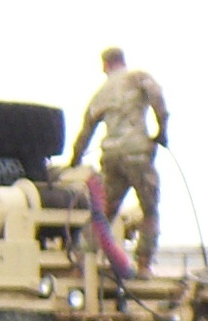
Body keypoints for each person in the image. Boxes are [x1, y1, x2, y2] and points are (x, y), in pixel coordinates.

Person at [67, 46, 168, 275]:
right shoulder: (139, 78)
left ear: (105, 65)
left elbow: (86, 130)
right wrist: (162, 132)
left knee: (104, 213)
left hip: (111, 157)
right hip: (137, 155)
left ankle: (81, 263)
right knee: (150, 210)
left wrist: (74, 160)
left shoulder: (102, 92)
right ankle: (144, 265)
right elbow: (158, 101)